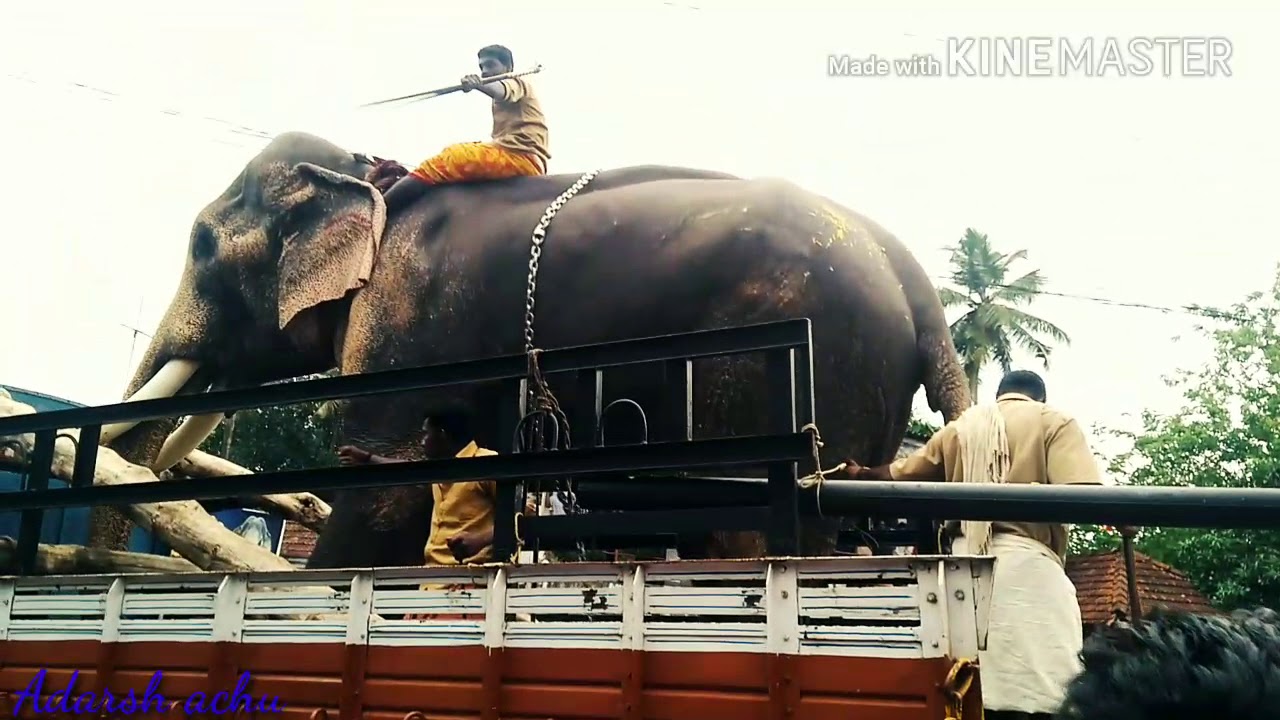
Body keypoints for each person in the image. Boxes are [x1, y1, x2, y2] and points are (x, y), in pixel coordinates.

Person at [843, 370, 1102, 720]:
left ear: (1000, 395)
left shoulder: (962, 429)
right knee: (1045, 695)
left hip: (962, 575)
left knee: (965, 695)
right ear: (1038, 397)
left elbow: (899, 475)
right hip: (1030, 572)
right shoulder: (1054, 421)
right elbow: (1085, 495)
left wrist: (861, 475)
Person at [381, 43, 551, 216]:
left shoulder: (516, 82)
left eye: (491, 65)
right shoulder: (507, 92)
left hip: (520, 157)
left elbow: (501, 91)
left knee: (449, 158)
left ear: (508, 67)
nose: (484, 71)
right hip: (516, 155)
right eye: (481, 67)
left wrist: (478, 84)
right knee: (456, 152)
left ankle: (380, 211)